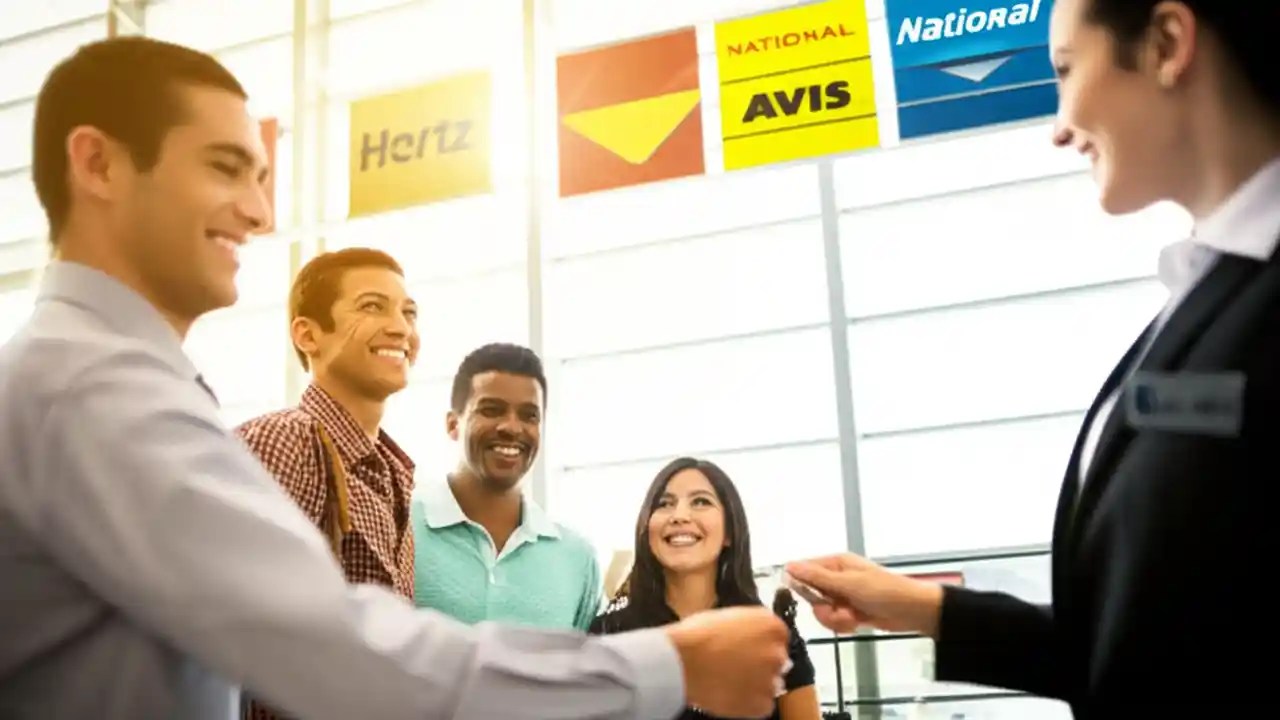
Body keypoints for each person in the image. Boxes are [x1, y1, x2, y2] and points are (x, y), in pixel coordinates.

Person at [0, 36, 791, 720]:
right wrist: (668, 665)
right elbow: (331, 651)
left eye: (263, 176)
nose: (258, 211)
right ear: (98, 163)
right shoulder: (97, 392)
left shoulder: (121, 384)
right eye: (223, 167)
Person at [785, 0, 1280, 716]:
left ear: (1167, 44)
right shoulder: (1203, 294)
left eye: (1067, 70)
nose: (1058, 129)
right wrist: (915, 606)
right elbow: (1128, 645)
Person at [235, 247, 420, 720]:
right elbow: (246, 631)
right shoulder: (288, 440)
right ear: (308, 334)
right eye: (372, 306)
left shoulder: (394, 477)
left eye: (408, 312)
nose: (401, 327)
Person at [590, 458, 821, 720]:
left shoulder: (773, 639)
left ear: (729, 533)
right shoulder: (608, 639)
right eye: (664, 504)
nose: (679, 516)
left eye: (701, 501)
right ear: (647, 528)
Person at [412, 343, 603, 630]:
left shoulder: (577, 560)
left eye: (530, 416)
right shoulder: (400, 528)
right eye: (491, 410)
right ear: (453, 425)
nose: (512, 428)